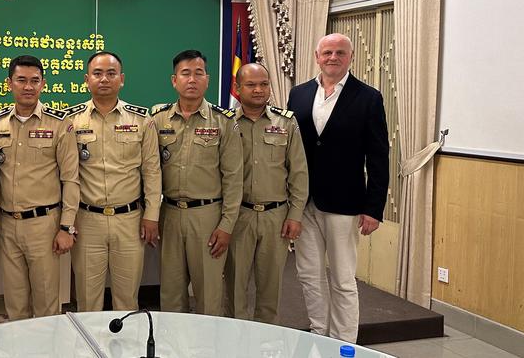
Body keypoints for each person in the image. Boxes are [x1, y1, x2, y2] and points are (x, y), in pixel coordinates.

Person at [287, 33, 389, 342]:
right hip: (303, 203)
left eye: (340, 52)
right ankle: (320, 334)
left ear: (351, 57)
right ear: (317, 57)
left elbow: (379, 156)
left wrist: (373, 209)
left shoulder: (369, 97)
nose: (333, 57)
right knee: (309, 276)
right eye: (327, 52)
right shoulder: (298, 94)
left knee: (343, 279)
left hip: (345, 204)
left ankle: (345, 342)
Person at [65, 51, 161, 311]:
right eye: (97, 73)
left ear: (122, 79)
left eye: (111, 73)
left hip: (129, 221)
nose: (104, 79)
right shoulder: (70, 121)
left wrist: (152, 214)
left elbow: (152, 171)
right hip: (87, 222)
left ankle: (125, 349)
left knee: (127, 300)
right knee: (87, 299)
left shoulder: (142, 120)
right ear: (87, 79)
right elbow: (65, 175)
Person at [151, 50, 243, 316]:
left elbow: (234, 179)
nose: (192, 79)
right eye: (185, 73)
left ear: (207, 80)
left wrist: (226, 225)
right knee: (170, 295)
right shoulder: (158, 120)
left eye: (198, 73)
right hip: (169, 215)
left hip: (208, 218)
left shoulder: (224, 122)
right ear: (174, 80)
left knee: (209, 295)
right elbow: (150, 171)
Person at [0, 55, 79, 320]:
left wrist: (66, 227)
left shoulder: (59, 124)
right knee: (15, 305)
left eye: (34, 81)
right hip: (7, 225)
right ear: (9, 84)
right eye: (21, 80)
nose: (28, 87)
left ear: (43, 85)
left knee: (46, 304)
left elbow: (71, 179)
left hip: (45, 225)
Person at [224, 63, 309, 324]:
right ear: (237, 89)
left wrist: (295, 215)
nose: (259, 90)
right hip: (239, 217)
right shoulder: (225, 123)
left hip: (276, 217)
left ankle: (265, 347)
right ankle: (235, 345)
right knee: (234, 291)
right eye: (251, 84)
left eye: (264, 84)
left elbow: (298, 172)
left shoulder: (286, 122)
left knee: (270, 291)